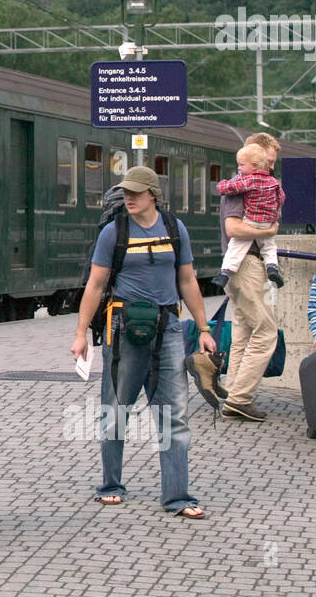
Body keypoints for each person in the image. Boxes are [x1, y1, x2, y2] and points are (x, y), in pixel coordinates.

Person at [70, 166, 216, 519]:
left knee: (173, 415)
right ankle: (110, 484)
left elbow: (188, 280)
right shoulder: (113, 233)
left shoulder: (174, 229)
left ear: (153, 194)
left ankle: (177, 497)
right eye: (126, 193)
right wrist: (80, 333)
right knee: (116, 409)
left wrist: (204, 327)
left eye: (136, 192)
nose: (129, 198)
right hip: (123, 330)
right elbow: (95, 284)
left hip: (168, 329)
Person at [217, 133, 281, 422]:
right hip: (245, 265)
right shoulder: (240, 189)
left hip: (242, 267)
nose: (271, 168)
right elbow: (233, 229)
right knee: (266, 332)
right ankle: (240, 399)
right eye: (268, 162)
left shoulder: (258, 185)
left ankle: (232, 390)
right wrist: (266, 233)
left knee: (243, 331)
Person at [215, 142, 285, 290]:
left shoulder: (248, 180)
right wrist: (273, 215)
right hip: (268, 221)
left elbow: (230, 188)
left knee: (236, 246)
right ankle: (272, 268)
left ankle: (225, 273)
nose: (271, 166)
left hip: (251, 220)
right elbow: (281, 197)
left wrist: (221, 185)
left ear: (253, 165)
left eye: (241, 165)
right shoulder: (274, 182)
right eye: (269, 162)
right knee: (270, 248)